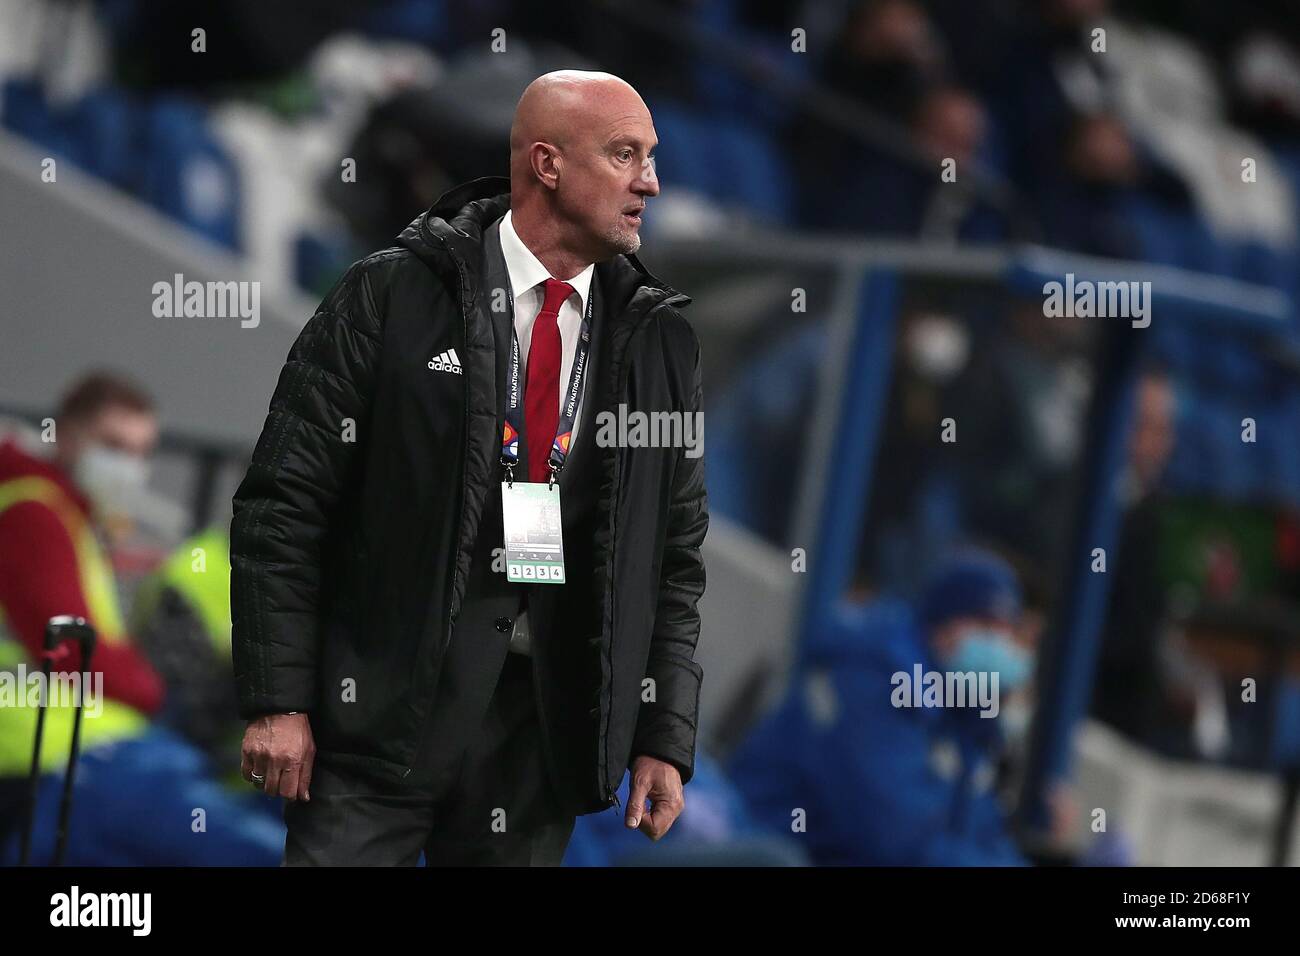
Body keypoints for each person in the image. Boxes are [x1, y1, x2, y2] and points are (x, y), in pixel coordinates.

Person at [231, 70, 709, 866]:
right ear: (547, 166)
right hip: (377, 719)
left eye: (650, 157)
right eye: (625, 155)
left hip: (535, 742)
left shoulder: (660, 341)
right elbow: (285, 503)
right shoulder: (392, 293)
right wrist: (279, 700)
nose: (651, 184)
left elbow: (675, 559)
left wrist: (663, 734)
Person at [0, 372, 283, 865]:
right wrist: (148, 688)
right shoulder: (34, 512)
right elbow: (69, 648)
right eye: (112, 444)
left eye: (140, 451)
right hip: (71, 752)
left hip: (86, 753)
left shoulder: (63, 514)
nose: (128, 466)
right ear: (65, 435)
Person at [727, 550, 1032, 865]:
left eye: (1008, 630)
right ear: (940, 625)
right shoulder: (869, 679)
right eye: (984, 624)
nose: (998, 642)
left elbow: (980, 833)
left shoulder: (961, 712)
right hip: (765, 850)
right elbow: (896, 842)